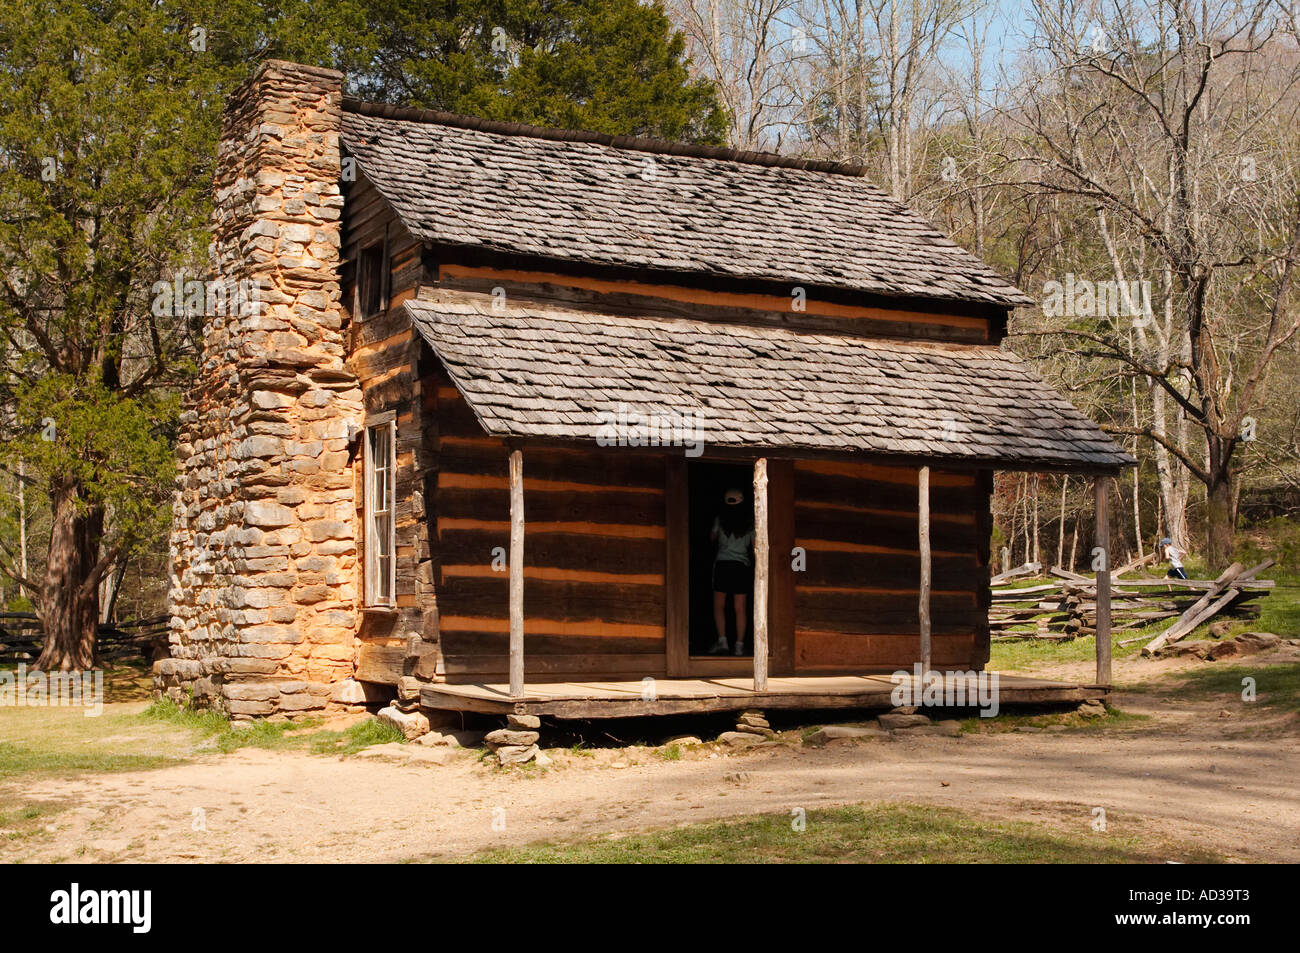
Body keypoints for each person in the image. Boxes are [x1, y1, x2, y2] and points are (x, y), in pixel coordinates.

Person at [707, 487, 754, 656]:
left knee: (719, 606)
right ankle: (739, 646)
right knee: (740, 608)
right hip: (741, 567)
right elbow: (755, 545)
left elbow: (712, 538)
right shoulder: (750, 523)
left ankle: (723, 641)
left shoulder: (720, 520)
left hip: (723, 565)